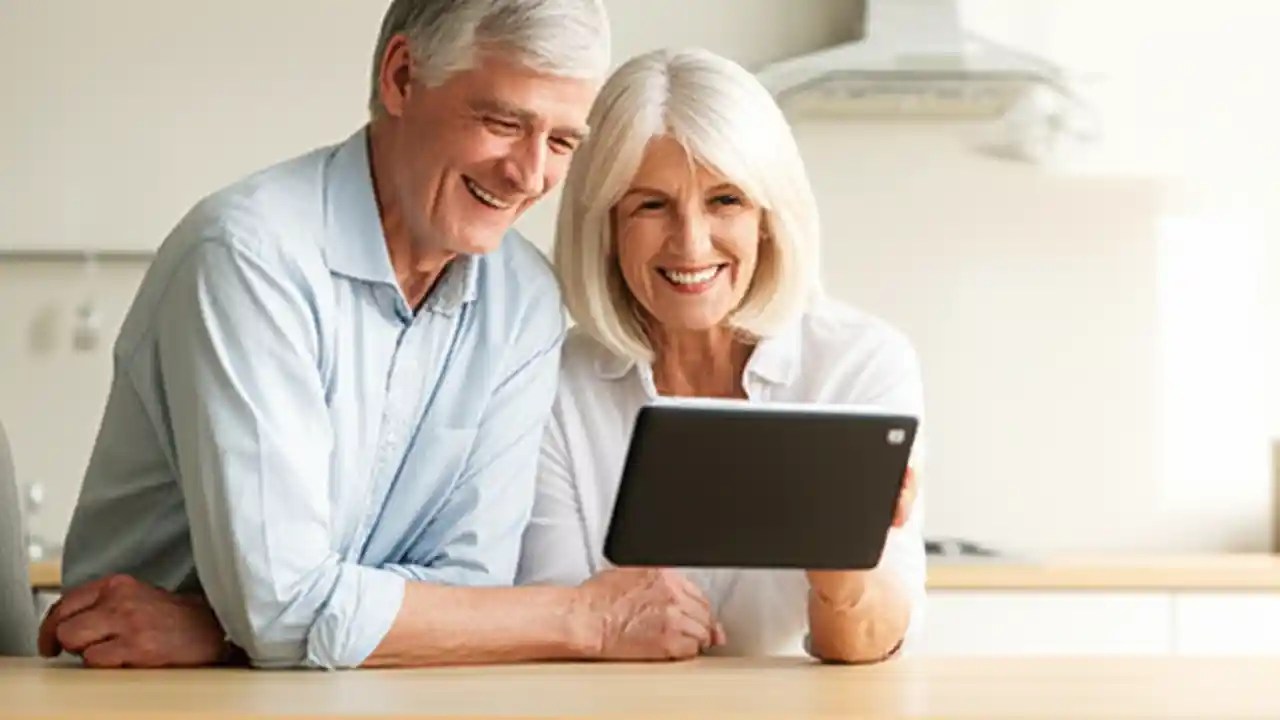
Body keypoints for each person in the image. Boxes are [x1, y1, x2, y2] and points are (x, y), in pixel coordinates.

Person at [37, 1, 722, 670]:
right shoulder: (250, 258)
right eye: (502, 122)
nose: (530, 173)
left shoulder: (523, 301)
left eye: (563, 141)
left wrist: (221, 628)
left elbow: (474, 588)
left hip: (361, 691)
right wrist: (584, 617)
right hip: (137, 694)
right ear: (400, 78)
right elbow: (286, 609)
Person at [516, 47, 928, 662]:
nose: (691, 242)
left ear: (767, 216)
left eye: (725, 200)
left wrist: (840, 551)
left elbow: (861, 643)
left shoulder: (859, 363)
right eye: (651, 205)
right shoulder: (552, 382)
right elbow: (556, 622)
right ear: (605, 227)